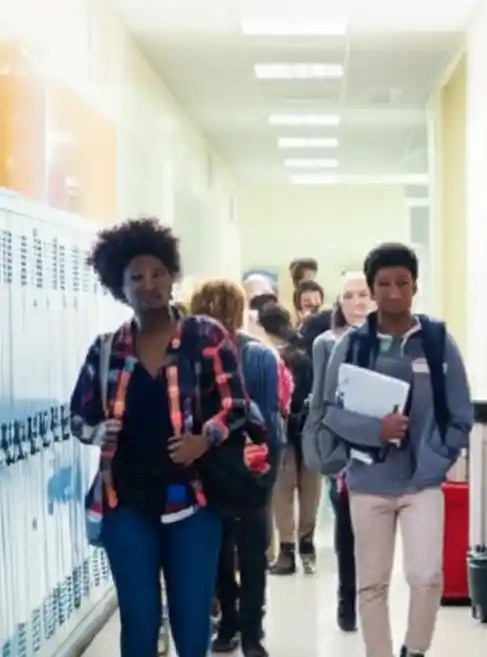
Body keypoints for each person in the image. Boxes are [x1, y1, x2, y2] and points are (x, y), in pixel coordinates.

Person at [70, 218, 268, 657]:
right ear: (119, 285)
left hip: (193, 500)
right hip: (125, 502)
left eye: (158, 273)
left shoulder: (205, 336)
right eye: (135, 277)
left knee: (190, 619)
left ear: (172, 276)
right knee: (139, 622)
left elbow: (236, 405)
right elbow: (78, 417)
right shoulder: (107, 349)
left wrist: (205, 437)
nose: (149, 284)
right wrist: (97, 429)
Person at [312, 244, 474, 657]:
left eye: (403, 282)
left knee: (426, 577)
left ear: (415, 286)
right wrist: (376, 430)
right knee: (372, 583)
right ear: (371, 289)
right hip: (368, 481)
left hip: (422, 482)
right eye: (384, 284)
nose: (394, 292)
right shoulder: (352, 344)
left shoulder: (436, 341)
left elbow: (460, 414)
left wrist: (438, 459)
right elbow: (330, 410)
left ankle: (414, 650)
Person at [188, 280, 282, 657]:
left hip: (213, 467)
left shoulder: (192, 355)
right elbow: (268, 425)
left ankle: (233, 625)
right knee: (250, 553)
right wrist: (267, 473)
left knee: (224, 553)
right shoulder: (254, 354)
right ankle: (249, 631)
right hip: (242, 469)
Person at [309, 272, 372, 631]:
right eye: (349, 296)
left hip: (383, 451)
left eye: (363, 294)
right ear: (340, 302)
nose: (357, 302)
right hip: (344, 455)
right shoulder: (326, 343)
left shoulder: (391, 341)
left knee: (375, 536)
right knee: (346, 532)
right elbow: (321, 401)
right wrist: (328, 457)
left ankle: (370, 600)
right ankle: (347, 603)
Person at [257, 303, 322, 576]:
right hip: (309, 427)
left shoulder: (268, 357)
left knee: (283, 491)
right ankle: (307, 544)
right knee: (310, 487)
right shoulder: (306, 352)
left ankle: (286, 552)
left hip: (282, 428)